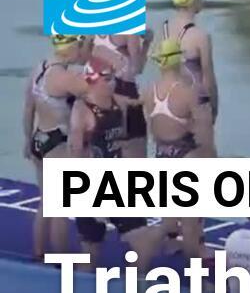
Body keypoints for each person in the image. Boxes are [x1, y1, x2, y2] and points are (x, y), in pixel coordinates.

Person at [68, 56, 161, 269]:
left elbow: (140, 102)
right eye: (108, 79)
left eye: (113, 79)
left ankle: (135, 290)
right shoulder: (81, 112)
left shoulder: (117, 102)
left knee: (143, 242)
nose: (113, 83)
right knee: (91, 253)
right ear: (93, 80)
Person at [22, 34, 90, 259]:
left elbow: (28, 108)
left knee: (46, 202)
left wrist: (26, 140)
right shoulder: (64, 77)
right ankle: (61, 257)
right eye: (80, 47)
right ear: (71, 49)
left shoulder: (39, 68)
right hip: (57, 144)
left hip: (39, 138)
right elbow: (97, 91)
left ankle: (39, 252)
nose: (81, 52)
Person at [144, 39, 211, 261]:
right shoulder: (187, 93)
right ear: (178, 60)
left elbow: (152, 130)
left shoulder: (148, 92)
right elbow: (204, 134)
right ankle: (197, 278)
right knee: (191, 225)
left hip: (162, 155)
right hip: (186, 157)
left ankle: (142, 257)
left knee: (168, 222)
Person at [163, 0, 218, 150]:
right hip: (196, 103)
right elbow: (208, 78)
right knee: (205, 156)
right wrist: (213, 109)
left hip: (168, 101)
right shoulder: (200, 36)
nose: (204, 0)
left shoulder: (164, 29)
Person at [92, 31, 153, 158]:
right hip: (125, 89)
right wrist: (147, 42)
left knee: (108, 145)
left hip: (102, 91)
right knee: (135, 145)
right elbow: (137, 68)